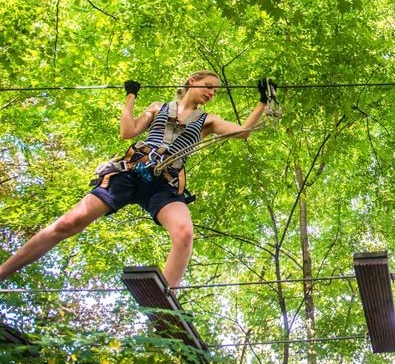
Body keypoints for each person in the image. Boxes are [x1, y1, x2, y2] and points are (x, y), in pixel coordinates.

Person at [0, 71, 274, 291]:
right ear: (192, 81)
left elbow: (243, 132)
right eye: (209, 86)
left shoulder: (208, 120)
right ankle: (2, 273)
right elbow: (127, 132)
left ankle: (167, 305)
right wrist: (130, 96)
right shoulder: (158, 107)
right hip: (130, 171)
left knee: (184, 234)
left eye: (215, 91)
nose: (212, 93)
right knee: (68, 223)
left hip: (164, 182)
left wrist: (262, 102)